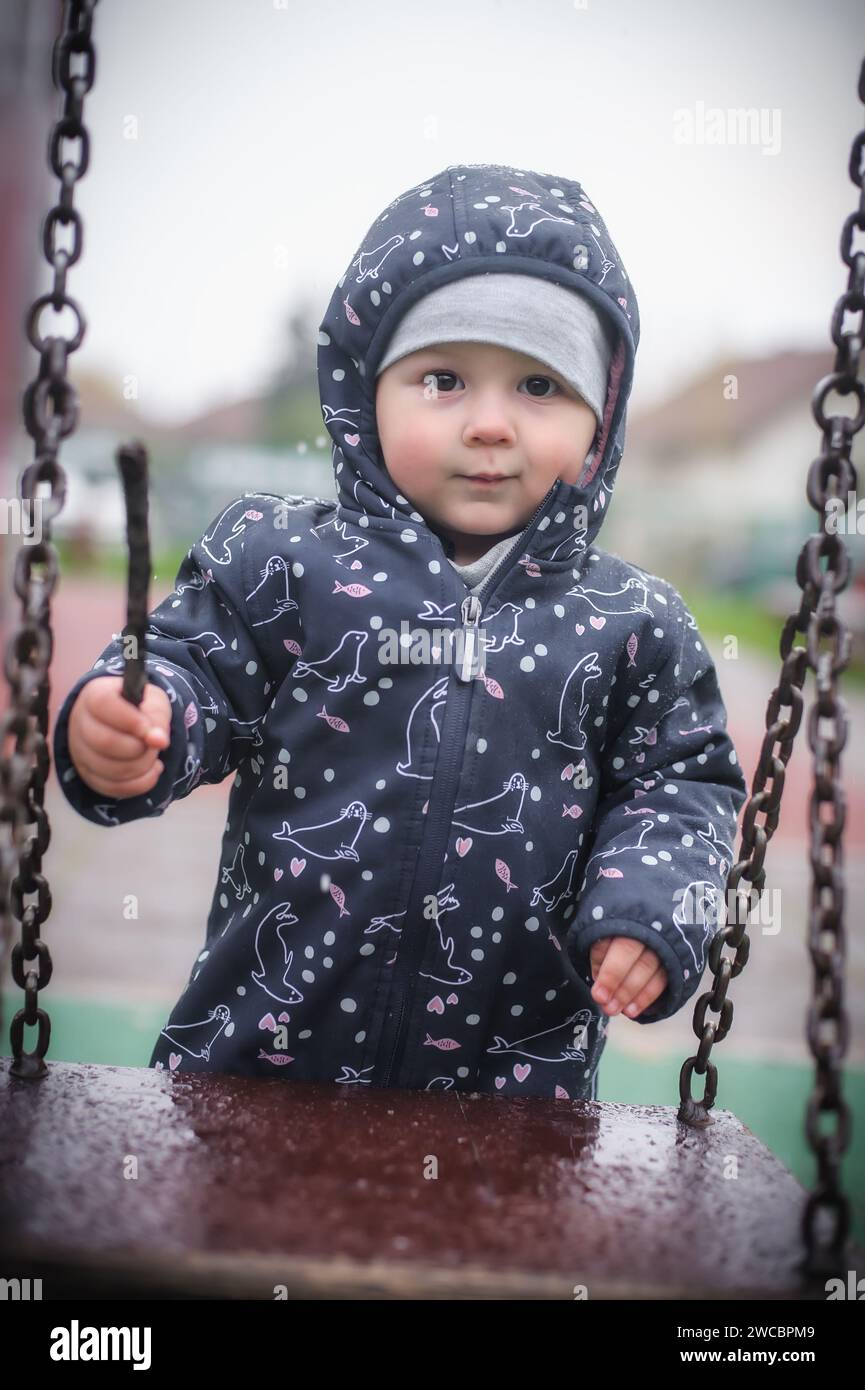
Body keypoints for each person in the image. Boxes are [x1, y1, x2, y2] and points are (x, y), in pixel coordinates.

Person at [53, 162, 747, 1099]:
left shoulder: (633, 624)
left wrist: (650, 903)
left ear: (598, 424)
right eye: (445, 379)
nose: (491, 425)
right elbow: (189, 671)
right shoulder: (283, 563)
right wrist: (132, 727)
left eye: (540, 386)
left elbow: (680, 784)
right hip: (255, 1066)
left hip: (511, 1105)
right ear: (364, 394)